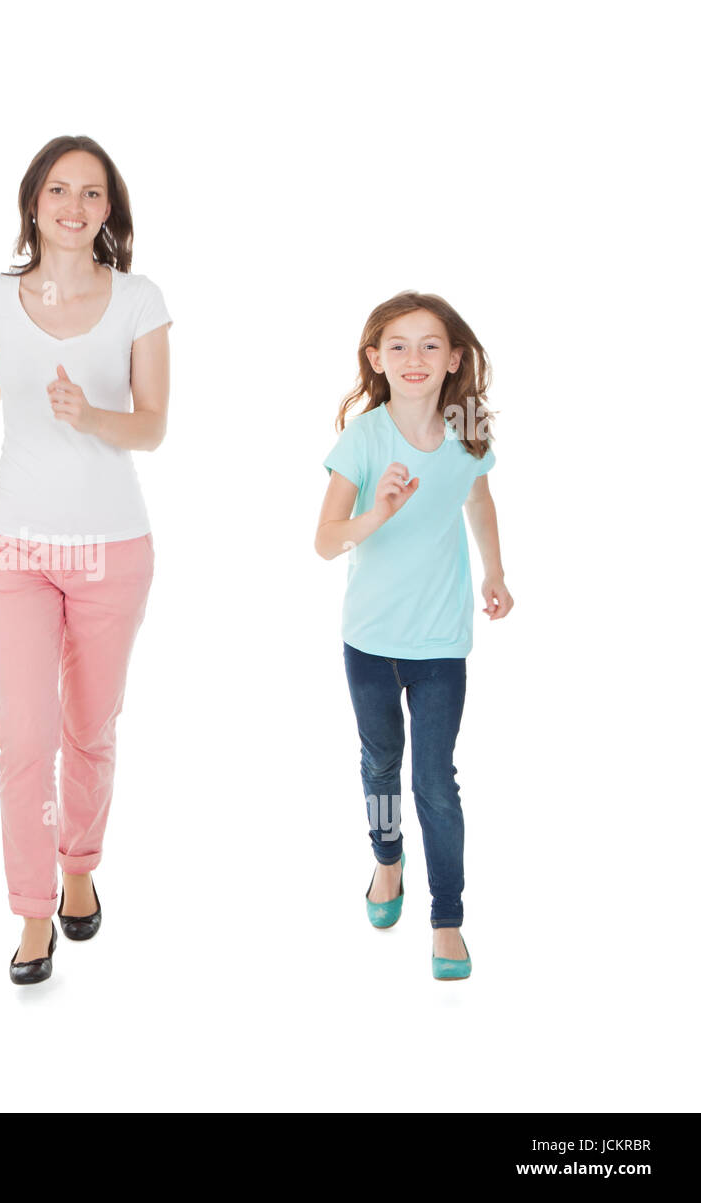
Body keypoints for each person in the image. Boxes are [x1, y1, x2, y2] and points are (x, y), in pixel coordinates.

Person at [0, 136, 172, 984]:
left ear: (107, 209)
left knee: (88, 728)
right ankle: (32, 913)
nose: (73, 207)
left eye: (90, 193)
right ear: (32, 203)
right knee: (24, 738)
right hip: (14, 545)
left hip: (114, 547)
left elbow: (152, 424)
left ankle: (81, 863)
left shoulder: (140, 300)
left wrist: (89, 416)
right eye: (57, 191)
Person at [315, 291, 513, 980]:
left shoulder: (466, 427)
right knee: (380, 765)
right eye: (397, 345)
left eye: (431, 344)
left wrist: (496, 571)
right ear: (376, 359)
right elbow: (324, 540)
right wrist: (379, 510)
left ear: (455, 357)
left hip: (440, 645)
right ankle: (387, 859)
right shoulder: (364, 439)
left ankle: (448, 918)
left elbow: (478, 497)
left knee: (434, 778)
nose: (415, 358)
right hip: (369, 641)